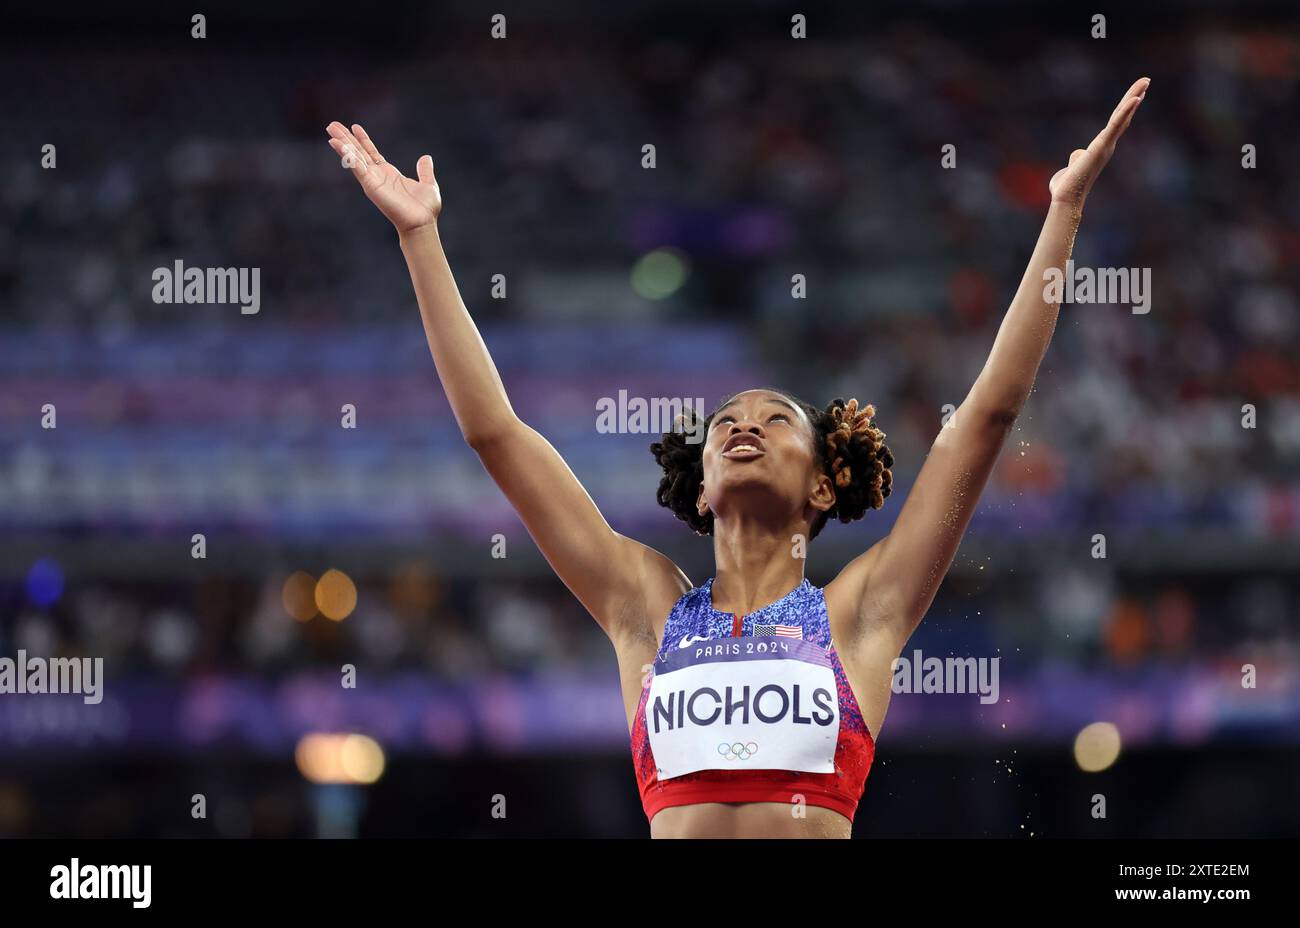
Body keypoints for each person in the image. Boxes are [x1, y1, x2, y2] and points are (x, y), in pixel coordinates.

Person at [325, 76, 1148, 838]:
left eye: (776, 419)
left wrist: (1063, 213)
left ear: (824, 482)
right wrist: (420, 237)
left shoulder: (859, 614)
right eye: (724, 423)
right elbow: (496, 433)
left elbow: (987, 417)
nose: (740, 426)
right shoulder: (645, 608)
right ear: (703, 484)